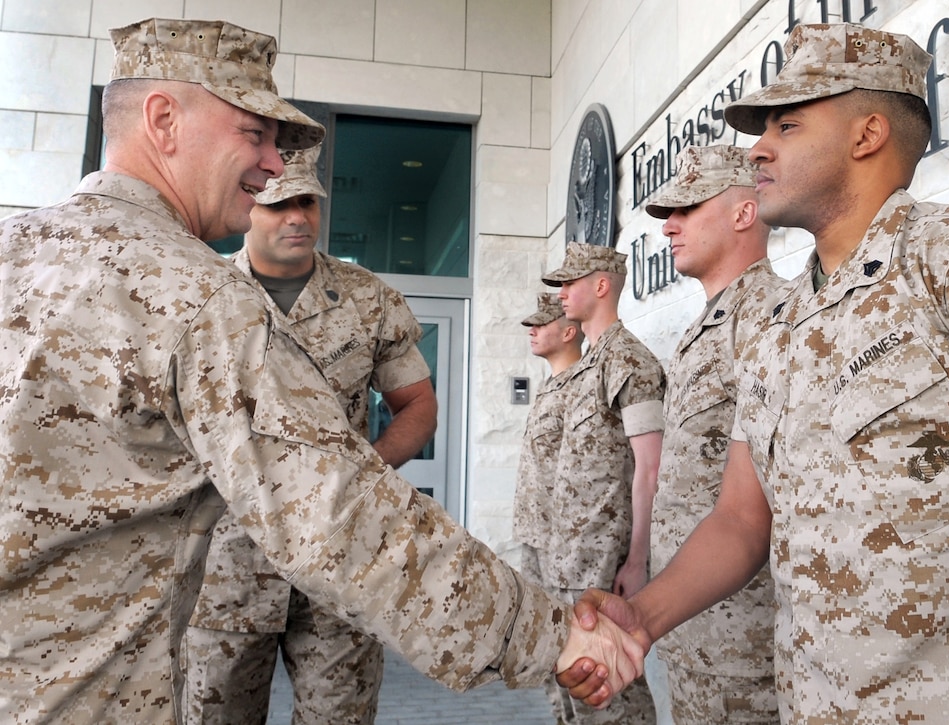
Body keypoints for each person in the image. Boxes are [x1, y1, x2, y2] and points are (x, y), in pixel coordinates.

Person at [0, 17, 640, 723]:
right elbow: (336, 507)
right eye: (254, 133)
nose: (277, 165)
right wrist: (550, 633)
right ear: (163, 119)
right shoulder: (193, 292)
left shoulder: (12, 250)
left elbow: (399, 422)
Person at [566, 22, 949, 723]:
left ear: (866, 134)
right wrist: (641, 616)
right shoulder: (780, 329)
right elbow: (741, 520)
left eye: (787, 124)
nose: (759, 148)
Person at [184, 145, 438, 724]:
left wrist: (362, 474)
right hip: (225, 563)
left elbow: (417, 405)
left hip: (341, 562)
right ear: (249, 204)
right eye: (280, 204)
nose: (298, 217)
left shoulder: (367, 299)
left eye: (307, 203)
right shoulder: (200, 296)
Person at [643, 143, 781, 724]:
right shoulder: (706, 324)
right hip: (694, 625)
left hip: (743, 643)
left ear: (744, 214)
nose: (669, 227)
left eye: (688, 209)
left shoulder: (771, 316)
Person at [538, 242, 665, 724]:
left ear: (601, 285)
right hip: (570, 560)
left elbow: (650, 468)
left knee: (612, 698)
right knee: (577, 694)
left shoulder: (630, 361)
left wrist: (637, 560)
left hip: (603, 566)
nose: (562, 292)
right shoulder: (588, 364)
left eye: (571, 282)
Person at [512, 292, 584, 589]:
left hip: (565, 540)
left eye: (542, 325)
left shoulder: (582, 387)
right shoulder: (549, 386)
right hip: (535, 530)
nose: (533, 331)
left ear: (568, 332)